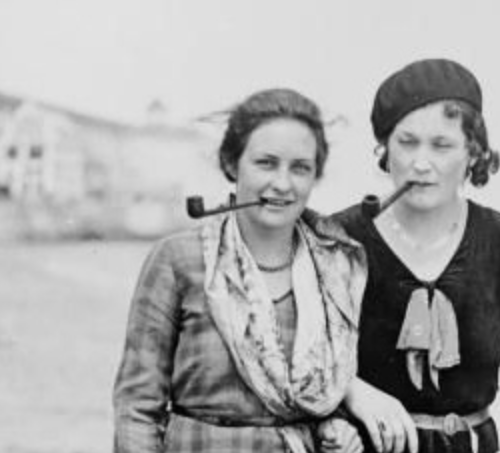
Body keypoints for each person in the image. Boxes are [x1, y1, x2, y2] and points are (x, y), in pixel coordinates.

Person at [113, 88, 367, 453]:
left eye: (300, 168)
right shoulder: (179, 260)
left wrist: (339, 428)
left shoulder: (336, 268)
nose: (282, 183)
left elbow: (330, 393)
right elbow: (137, 408)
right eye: (266, 163)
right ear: (233, 164)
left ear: (315, 176)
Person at [333, 58, 500, 453]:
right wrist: (352, 391)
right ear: (385, 148)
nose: (421, 163)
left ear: (473, 153)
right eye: (406, 142)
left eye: (442, 145)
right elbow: (296, 356)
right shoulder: (339, 239)